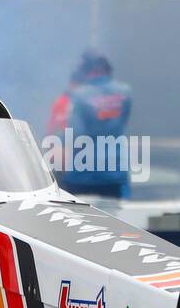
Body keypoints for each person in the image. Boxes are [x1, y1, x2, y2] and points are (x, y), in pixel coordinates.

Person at [47, 50, 133, 198]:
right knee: (114, 218)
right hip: (115, 173)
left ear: (87, 71)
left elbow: (75, 133)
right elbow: (122, 122)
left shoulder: (80, 95)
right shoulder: (125, 92)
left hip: (83, 174)